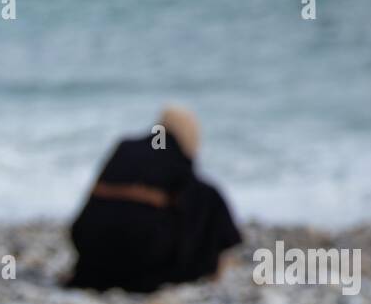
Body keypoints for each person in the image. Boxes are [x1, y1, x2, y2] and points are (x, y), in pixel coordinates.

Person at [64, 106, 241, 293]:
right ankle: (212, 269)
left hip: (91, 250)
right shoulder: (175, 155)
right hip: (140, 255)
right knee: (208, 198)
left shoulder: (125, 147)